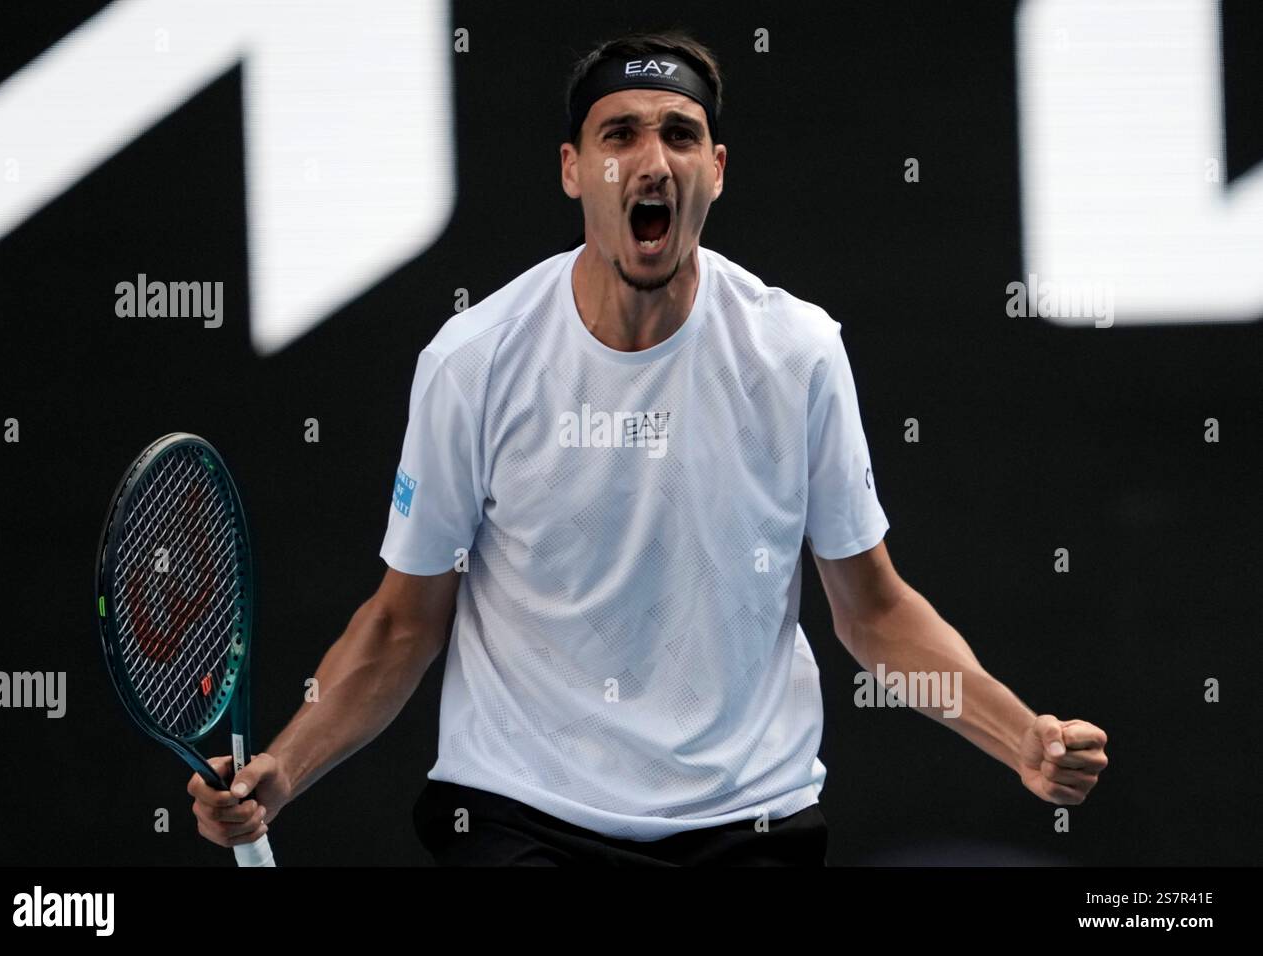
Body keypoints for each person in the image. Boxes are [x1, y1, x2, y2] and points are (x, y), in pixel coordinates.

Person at [189, 30, 1109, 866]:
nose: (651, 159)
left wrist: (1017, 735)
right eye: (619, 134)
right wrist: (286, 768)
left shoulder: (797, 353)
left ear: (715, 169)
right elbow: (401, 624)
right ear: (572, 170)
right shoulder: (473, 362)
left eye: (678, 133)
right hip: (521, 819)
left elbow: (873, 613)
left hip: (750, 823)